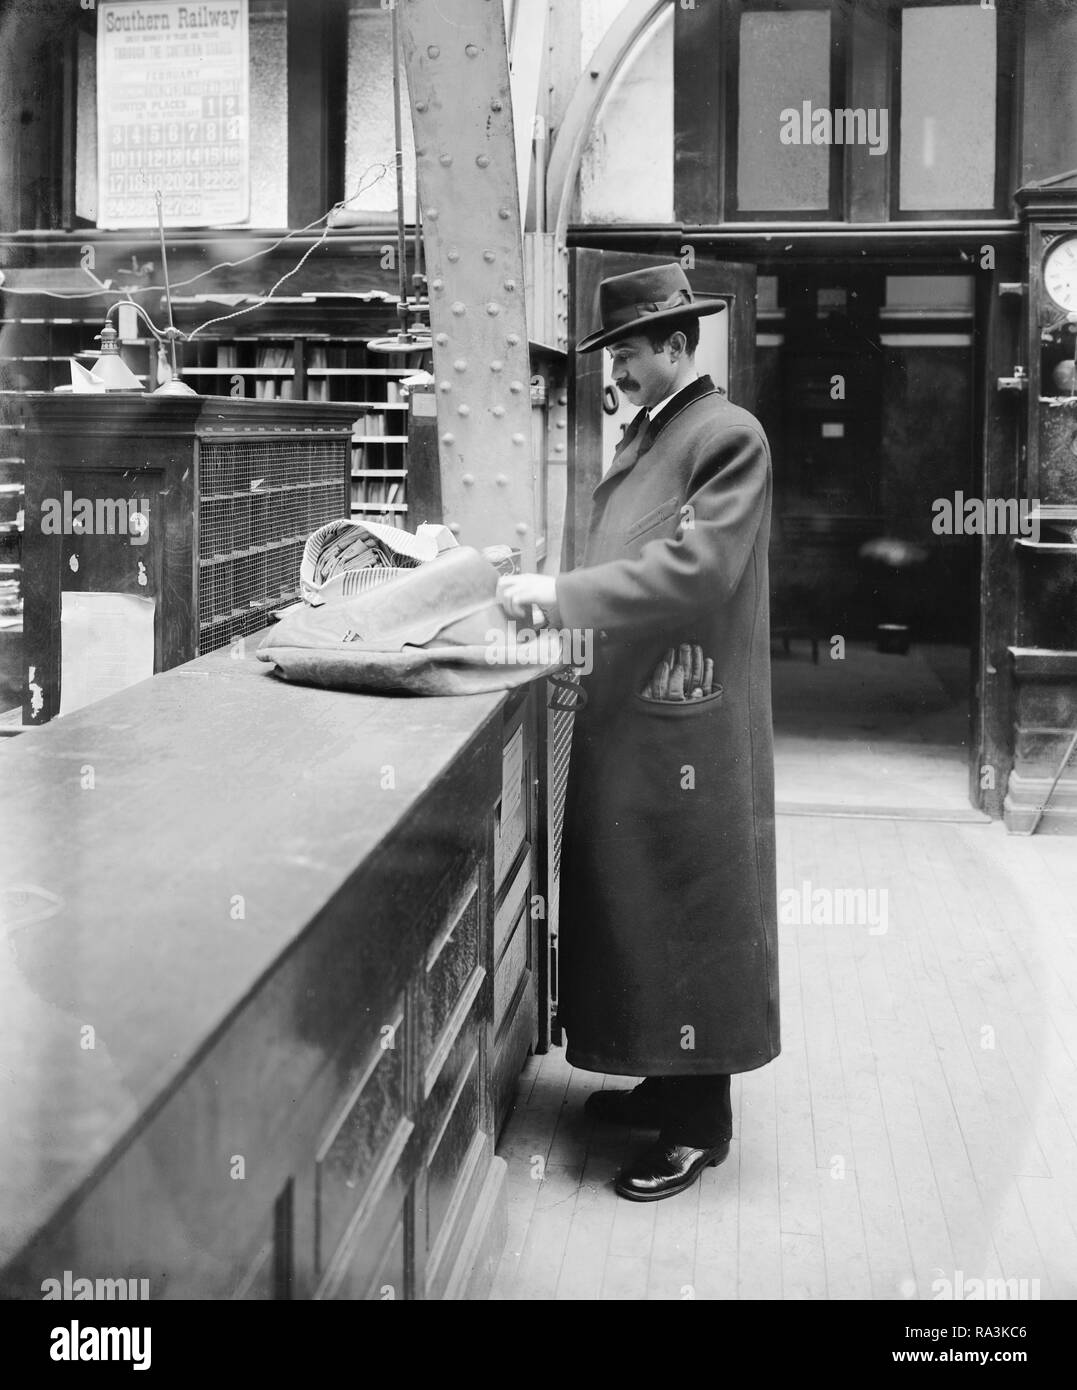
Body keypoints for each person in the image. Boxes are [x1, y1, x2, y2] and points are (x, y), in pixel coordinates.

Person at [497, 263, 779, 1202]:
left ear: (675, 345)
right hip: (634, 708)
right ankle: (665, 1074)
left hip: (687, 719)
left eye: (627, 349)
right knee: (635, 898)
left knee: (687, 901)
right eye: (609, 350)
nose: (613, 366)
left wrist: (560, 597)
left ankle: (700, 1126)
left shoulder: (726, 436)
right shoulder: (654, 432)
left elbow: (696, 572)